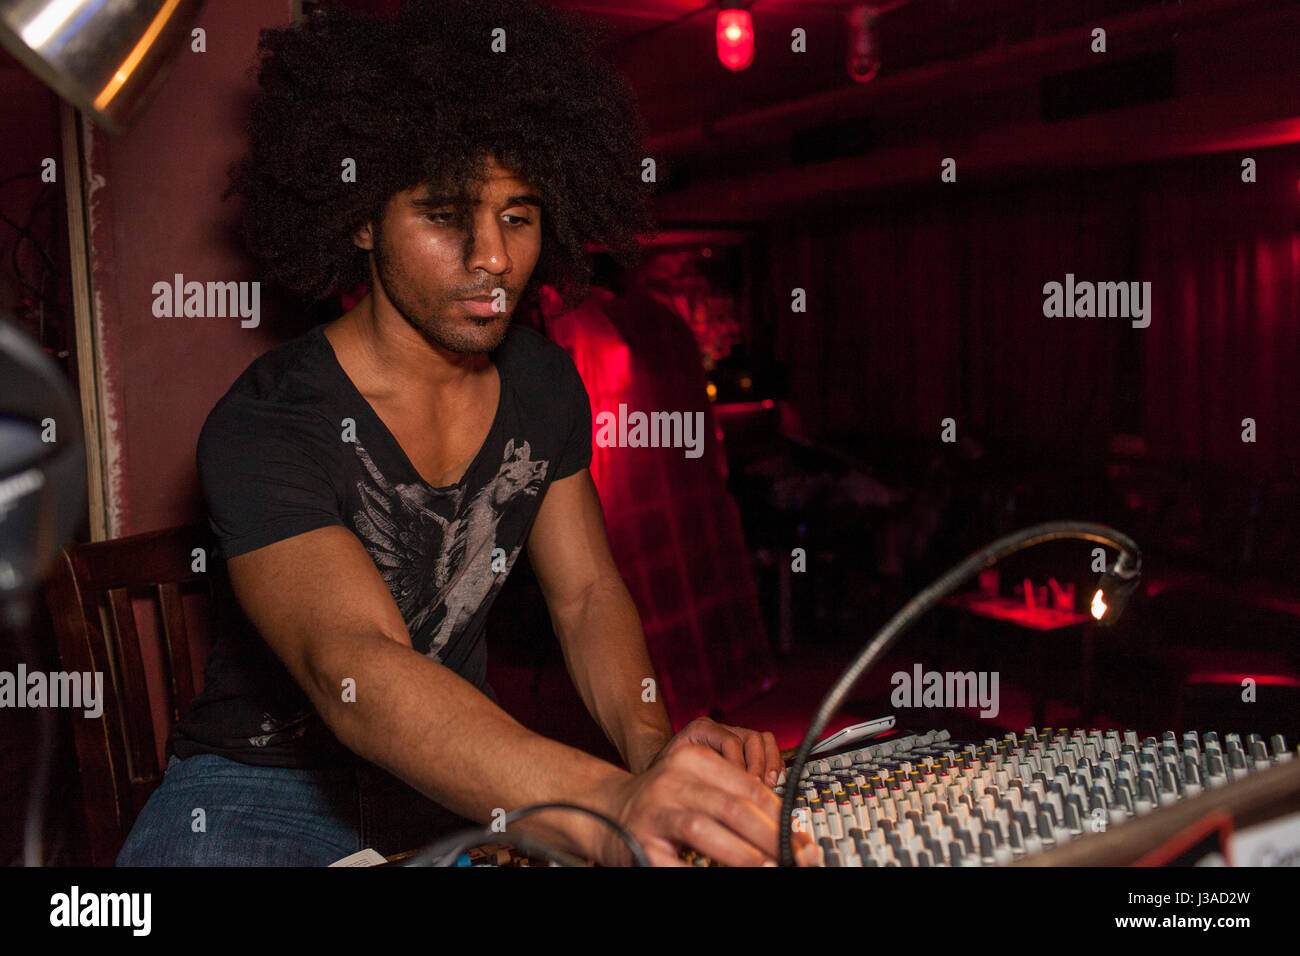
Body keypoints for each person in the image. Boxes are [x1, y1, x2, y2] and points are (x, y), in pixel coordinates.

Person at [117, 0, 811, 867]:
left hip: (449, 777)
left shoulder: (543, 383)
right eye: (448, 216)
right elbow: (358, 667)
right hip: (257, 790)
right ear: (363, 219)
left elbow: (587, 594)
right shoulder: (268, 420)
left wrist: (649, 751)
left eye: (518, 217)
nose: (493, 258)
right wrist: (606, 800)